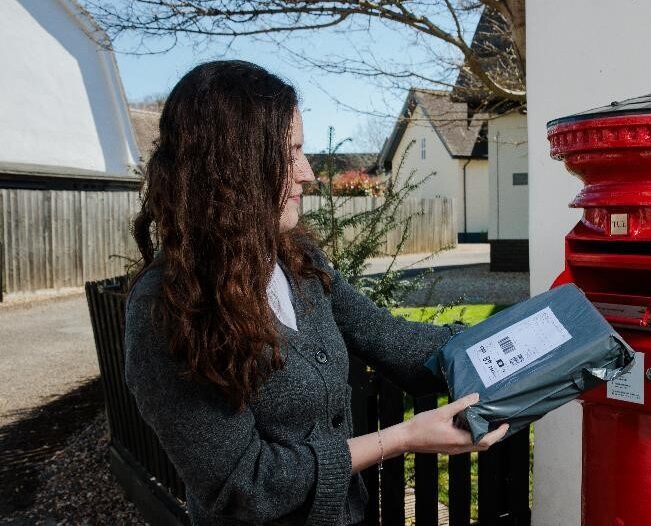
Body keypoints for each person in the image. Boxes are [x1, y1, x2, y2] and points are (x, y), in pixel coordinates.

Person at [123, 60, 508, 526]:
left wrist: (529, 341)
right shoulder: (166, 308)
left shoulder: (298, 263)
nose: (307, 174)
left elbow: (394, 341)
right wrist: (401, 438)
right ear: (231, 166)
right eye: (289, 154)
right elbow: (246, 486)